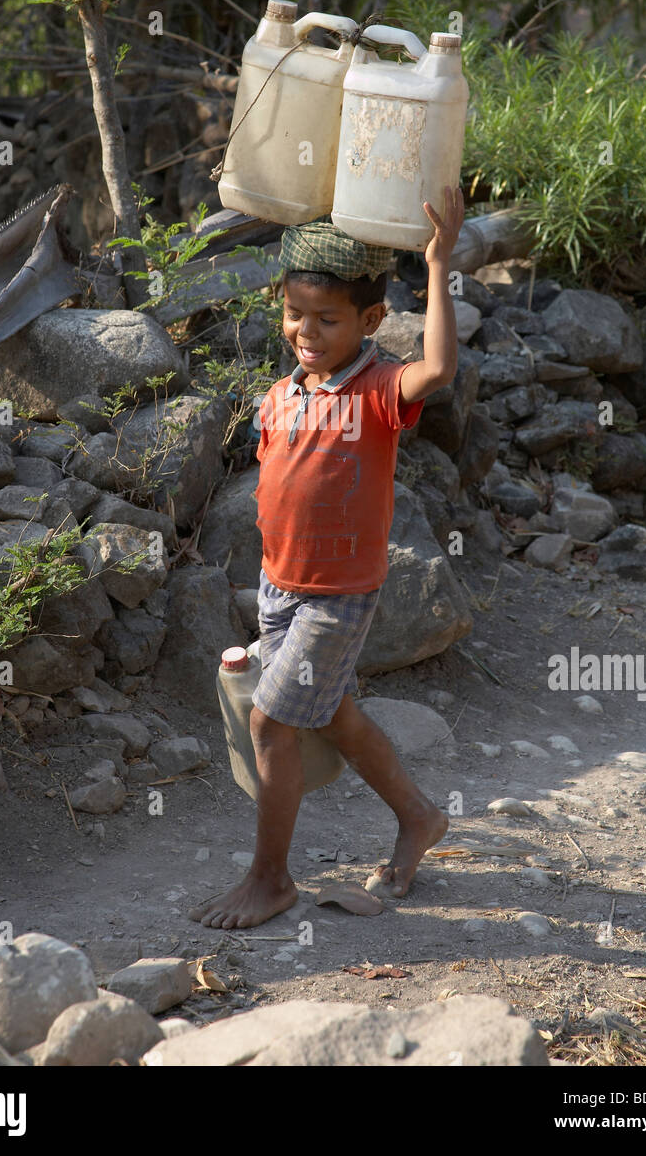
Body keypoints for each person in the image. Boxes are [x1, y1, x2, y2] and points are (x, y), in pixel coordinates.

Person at [189, 186, 465, 930]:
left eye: (327, 319)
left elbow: (436, 368)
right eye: (294, 314)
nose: (305, 331)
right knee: (332, 716)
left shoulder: (378, 390)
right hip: (279, 589)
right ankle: (419, 816)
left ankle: (270, 879)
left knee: (274, 725)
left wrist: (438, 264)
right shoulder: (282, 393)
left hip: (338, 596)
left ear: (371, 321)